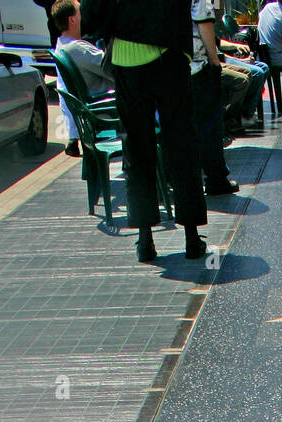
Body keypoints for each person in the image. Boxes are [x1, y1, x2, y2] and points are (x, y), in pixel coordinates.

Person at [80, 0, 207, 263]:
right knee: (181, 144)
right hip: (170, 52)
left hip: (128, 57)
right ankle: (192, 237)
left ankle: (145, 240)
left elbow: (92, 14)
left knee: (136, 150)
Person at [50, 0, 113, 156]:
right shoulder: (78, 49)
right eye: (80, 11)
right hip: (104, 109)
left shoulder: (61, 46)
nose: (84, 15)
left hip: (89, 112)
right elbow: (113, 68)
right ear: (72, 20)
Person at [191, 1, 240, 195]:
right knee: (209, 126)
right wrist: (214, 60)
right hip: (197, 66)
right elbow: (204, 23)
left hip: (169, 67)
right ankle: (216, 178)